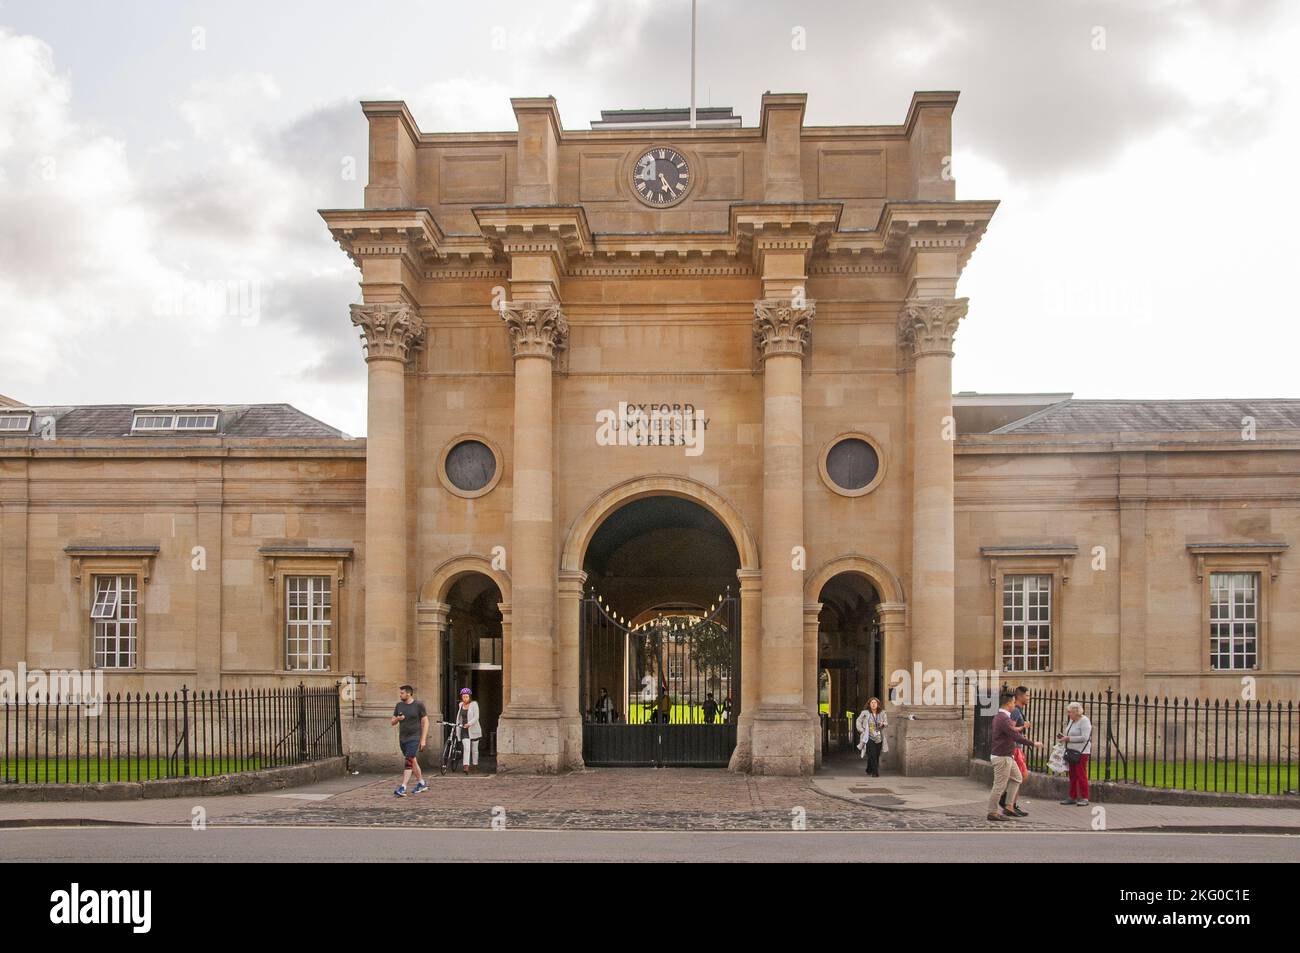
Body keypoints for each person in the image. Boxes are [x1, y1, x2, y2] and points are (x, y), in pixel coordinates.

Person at [988, 690, 1041, 821]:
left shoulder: (1001, 717)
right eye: (1013, 702)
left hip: (1007, 756)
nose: (1014, 705)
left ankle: (1009, 806)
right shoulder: (1003, 718)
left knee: (1017, 778)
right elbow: (1015, 735)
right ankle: (992, 812)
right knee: (999, 785)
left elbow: (1012, 734)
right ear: (1009, 703)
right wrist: (1033, 743)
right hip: (1002, 757)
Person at [390, 684, 429, 797]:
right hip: (403, 738)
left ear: (409, 693)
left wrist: (423, 740)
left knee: (408, 761)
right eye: (400, 693)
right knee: (413, 761)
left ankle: (403, 787)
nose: (400, 695)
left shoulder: (418, 705)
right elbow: (392, 722)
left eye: (402, 693)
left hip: (414, 737)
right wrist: (398, 718)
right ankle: (421, 783)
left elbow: (425, 722)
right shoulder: (399, 705)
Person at [999, 685, 1032, 812]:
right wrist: (1023, 727)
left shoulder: (1018, 710)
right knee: (1020, 776)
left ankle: (1010, 803)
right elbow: (1010, 729)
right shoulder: (1016, 711)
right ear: (1019, 697)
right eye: (1027, 695)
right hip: (1015, 749)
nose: (1028, 698)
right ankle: (1009, 803)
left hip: (1017, 748)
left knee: (1019, 777)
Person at [1058, 701, 1093, 805]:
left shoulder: (1084, 721)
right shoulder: (1072, 721)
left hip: (1081, 752)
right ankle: (1072, 796)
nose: (1069, 714)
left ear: (1076, 712)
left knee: (1081, 774)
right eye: (1068, 712)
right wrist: (1064, 737)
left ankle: (1084, 797)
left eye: (1070, 712)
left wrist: (1069, 738)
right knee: (1072, 775)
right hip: (1071, 751)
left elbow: (1085, 737)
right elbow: (1069, 732)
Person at [855, 697, 888, 777]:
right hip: (868, 736)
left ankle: (869, 769)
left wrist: (882, 724)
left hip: (879, 737)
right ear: (869, 704)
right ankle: (875, 772)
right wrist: (861, 730)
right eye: (872, 703)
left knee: (876, 755)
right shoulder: (865, 713)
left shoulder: (882, 713)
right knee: (872, 753)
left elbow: (886, 723)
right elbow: (858, 721)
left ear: (878, 704)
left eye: (875, 703)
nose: (873, 704)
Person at [455, 687, 482, 774]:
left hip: (473, 729)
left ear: (469, 697)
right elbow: (459, 717)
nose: (465, 698)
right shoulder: (460, 705)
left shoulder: (474, 704)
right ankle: (466, 766)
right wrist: (458, 727)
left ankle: (475, 765)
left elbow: (476, 716)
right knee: (466, 747)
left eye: (466, 696)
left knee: (474, 749)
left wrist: (469, 723)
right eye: (463, 697)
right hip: (464, 729)